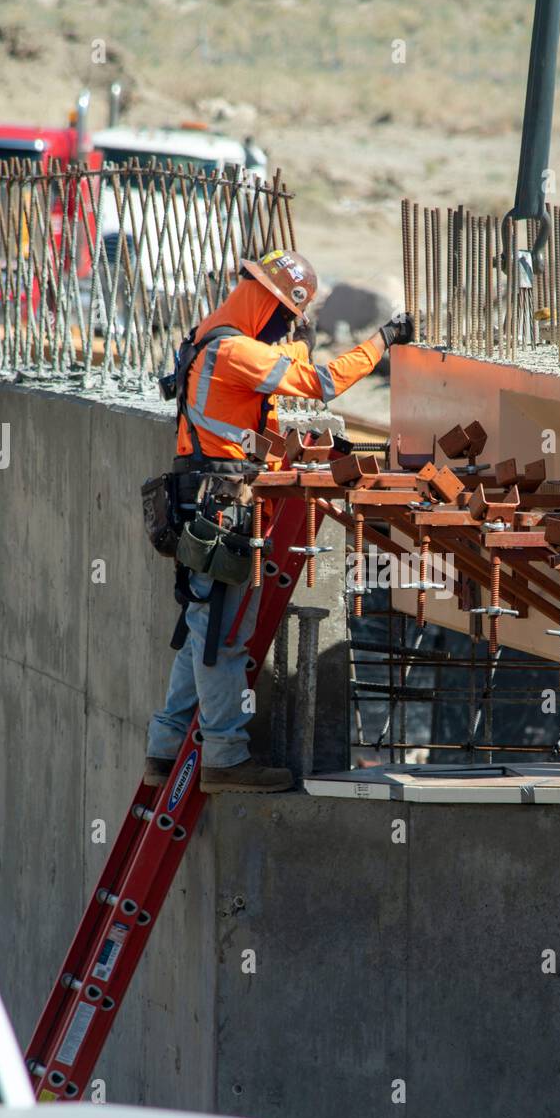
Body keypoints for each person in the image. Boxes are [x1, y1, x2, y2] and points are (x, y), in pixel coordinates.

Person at [145, 249, 413, 794]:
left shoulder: (208, 336)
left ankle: (165, 746)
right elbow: (318, 383)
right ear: (268, 306)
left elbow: (256, 405)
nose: (286, 329)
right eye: (286, 318)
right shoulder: (235, 351)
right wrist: (384, 340)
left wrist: (294, 344)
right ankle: (224, 757)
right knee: (222, 633)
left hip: (200, 497)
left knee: (202, 624)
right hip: (219, 504)